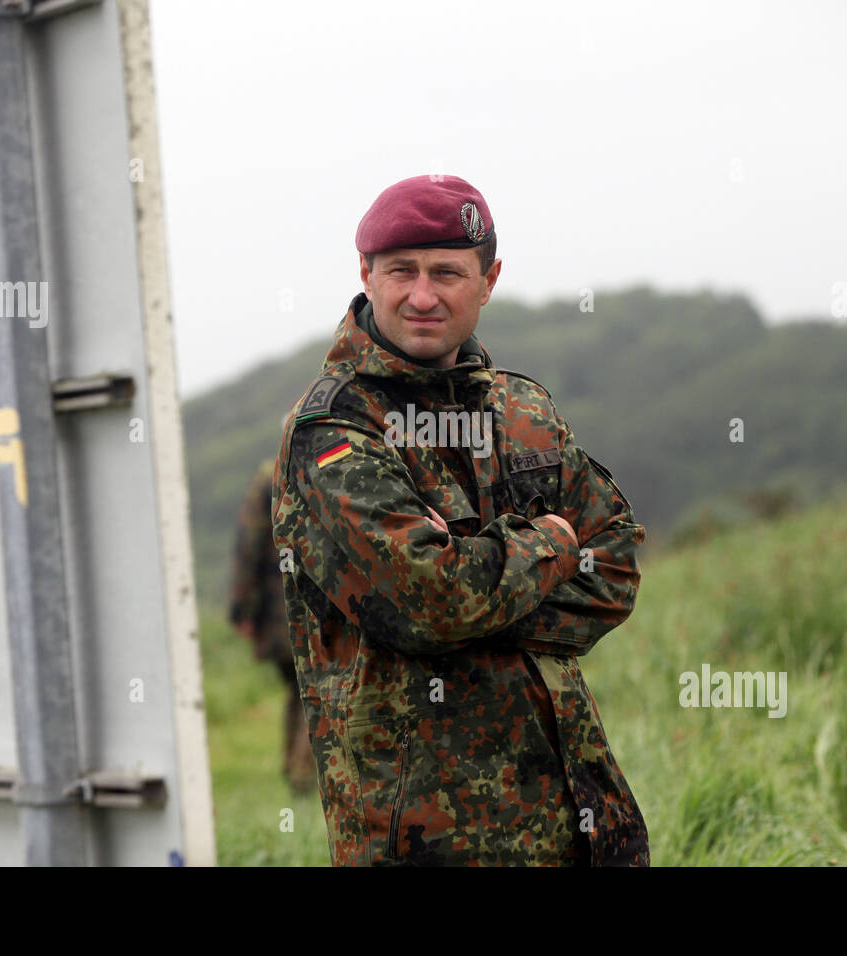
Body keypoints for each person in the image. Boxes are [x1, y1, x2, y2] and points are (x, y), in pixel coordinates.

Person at [271, 174, 649, 865]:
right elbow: (432, 599)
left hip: (580, 816)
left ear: (489, 278)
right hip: (425, 835)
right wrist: (553, 543)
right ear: (365, 273)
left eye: (446, 272)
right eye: (400, 272)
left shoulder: (523, 411)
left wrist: (475, 587)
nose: (422, 296)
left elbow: (618, 567)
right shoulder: (334, 429)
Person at [229, 456, 317, 794]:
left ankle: (293, 768)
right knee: (310, 688)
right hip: (299, 606)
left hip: (275, 607)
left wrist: (241, 609)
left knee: (299, 689)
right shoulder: (314, 466)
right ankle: (303, 776)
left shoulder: (268, 474)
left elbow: (248, 543)